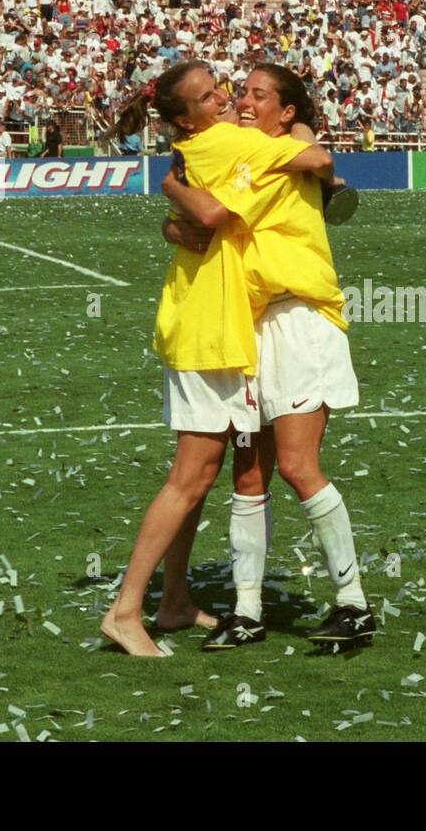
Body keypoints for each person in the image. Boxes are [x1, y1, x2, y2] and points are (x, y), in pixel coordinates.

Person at [99, 62, 336, 657]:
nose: (227, 96)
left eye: (223, 86)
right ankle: (126, 611)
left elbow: (194, 204)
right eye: (210, 95)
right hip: (207, 328)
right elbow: (312, 161)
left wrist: (171, 194)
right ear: (186, 118)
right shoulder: (229, 140)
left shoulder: (199, 146)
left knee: (200, 481)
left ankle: (174, 600)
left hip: (210, 320)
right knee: (191, 476)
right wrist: (300, 135)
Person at [163, 63, 373, 648]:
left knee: (297, 467)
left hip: (300, 320)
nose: (242, 100)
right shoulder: (246, 153)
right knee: (248, 469)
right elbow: (197, 220)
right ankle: (248, 611)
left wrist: (173, 191)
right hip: (248, 325)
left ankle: (353, 604)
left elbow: (315, 160)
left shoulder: (279, 154)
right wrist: (173, 214)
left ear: (286, 114)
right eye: (241, 92)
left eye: (259, 95)